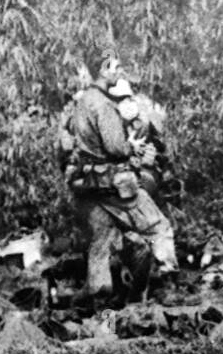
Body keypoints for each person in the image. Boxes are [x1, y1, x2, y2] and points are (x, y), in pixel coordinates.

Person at [64, 58, 178, 306]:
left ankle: (99, 300)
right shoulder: (104, 106)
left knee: (101, 242)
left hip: (92, 184)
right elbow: (117, 148)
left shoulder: (83, 102)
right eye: (116, 68)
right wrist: (132, 149)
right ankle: (166, 285)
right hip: (115, 183)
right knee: (158, 227)